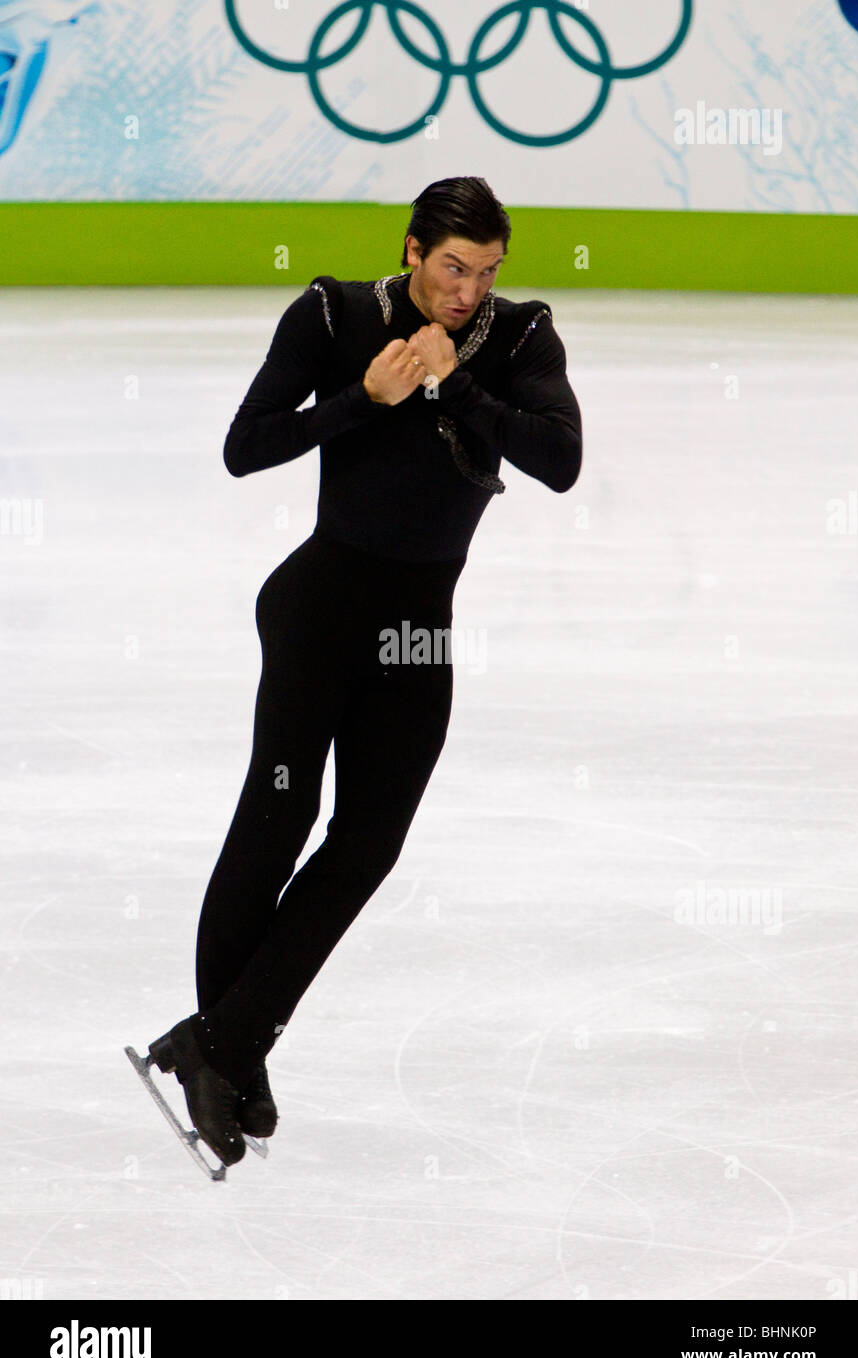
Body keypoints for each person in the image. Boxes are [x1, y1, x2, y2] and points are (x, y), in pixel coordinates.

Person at [146, 176, 583, 1167]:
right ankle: (232, 1057)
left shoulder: (518, 342)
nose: (466, 290)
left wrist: (455, 386)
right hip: (320, 607)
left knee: (370, 840)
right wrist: (364, 398)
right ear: (411, 248)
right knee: (279, 815)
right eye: (449, 267)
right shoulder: (334, 313)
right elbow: (244, 448)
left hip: (418, 626)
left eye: (483, 272)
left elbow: (560, 461)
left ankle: (218, 1042)